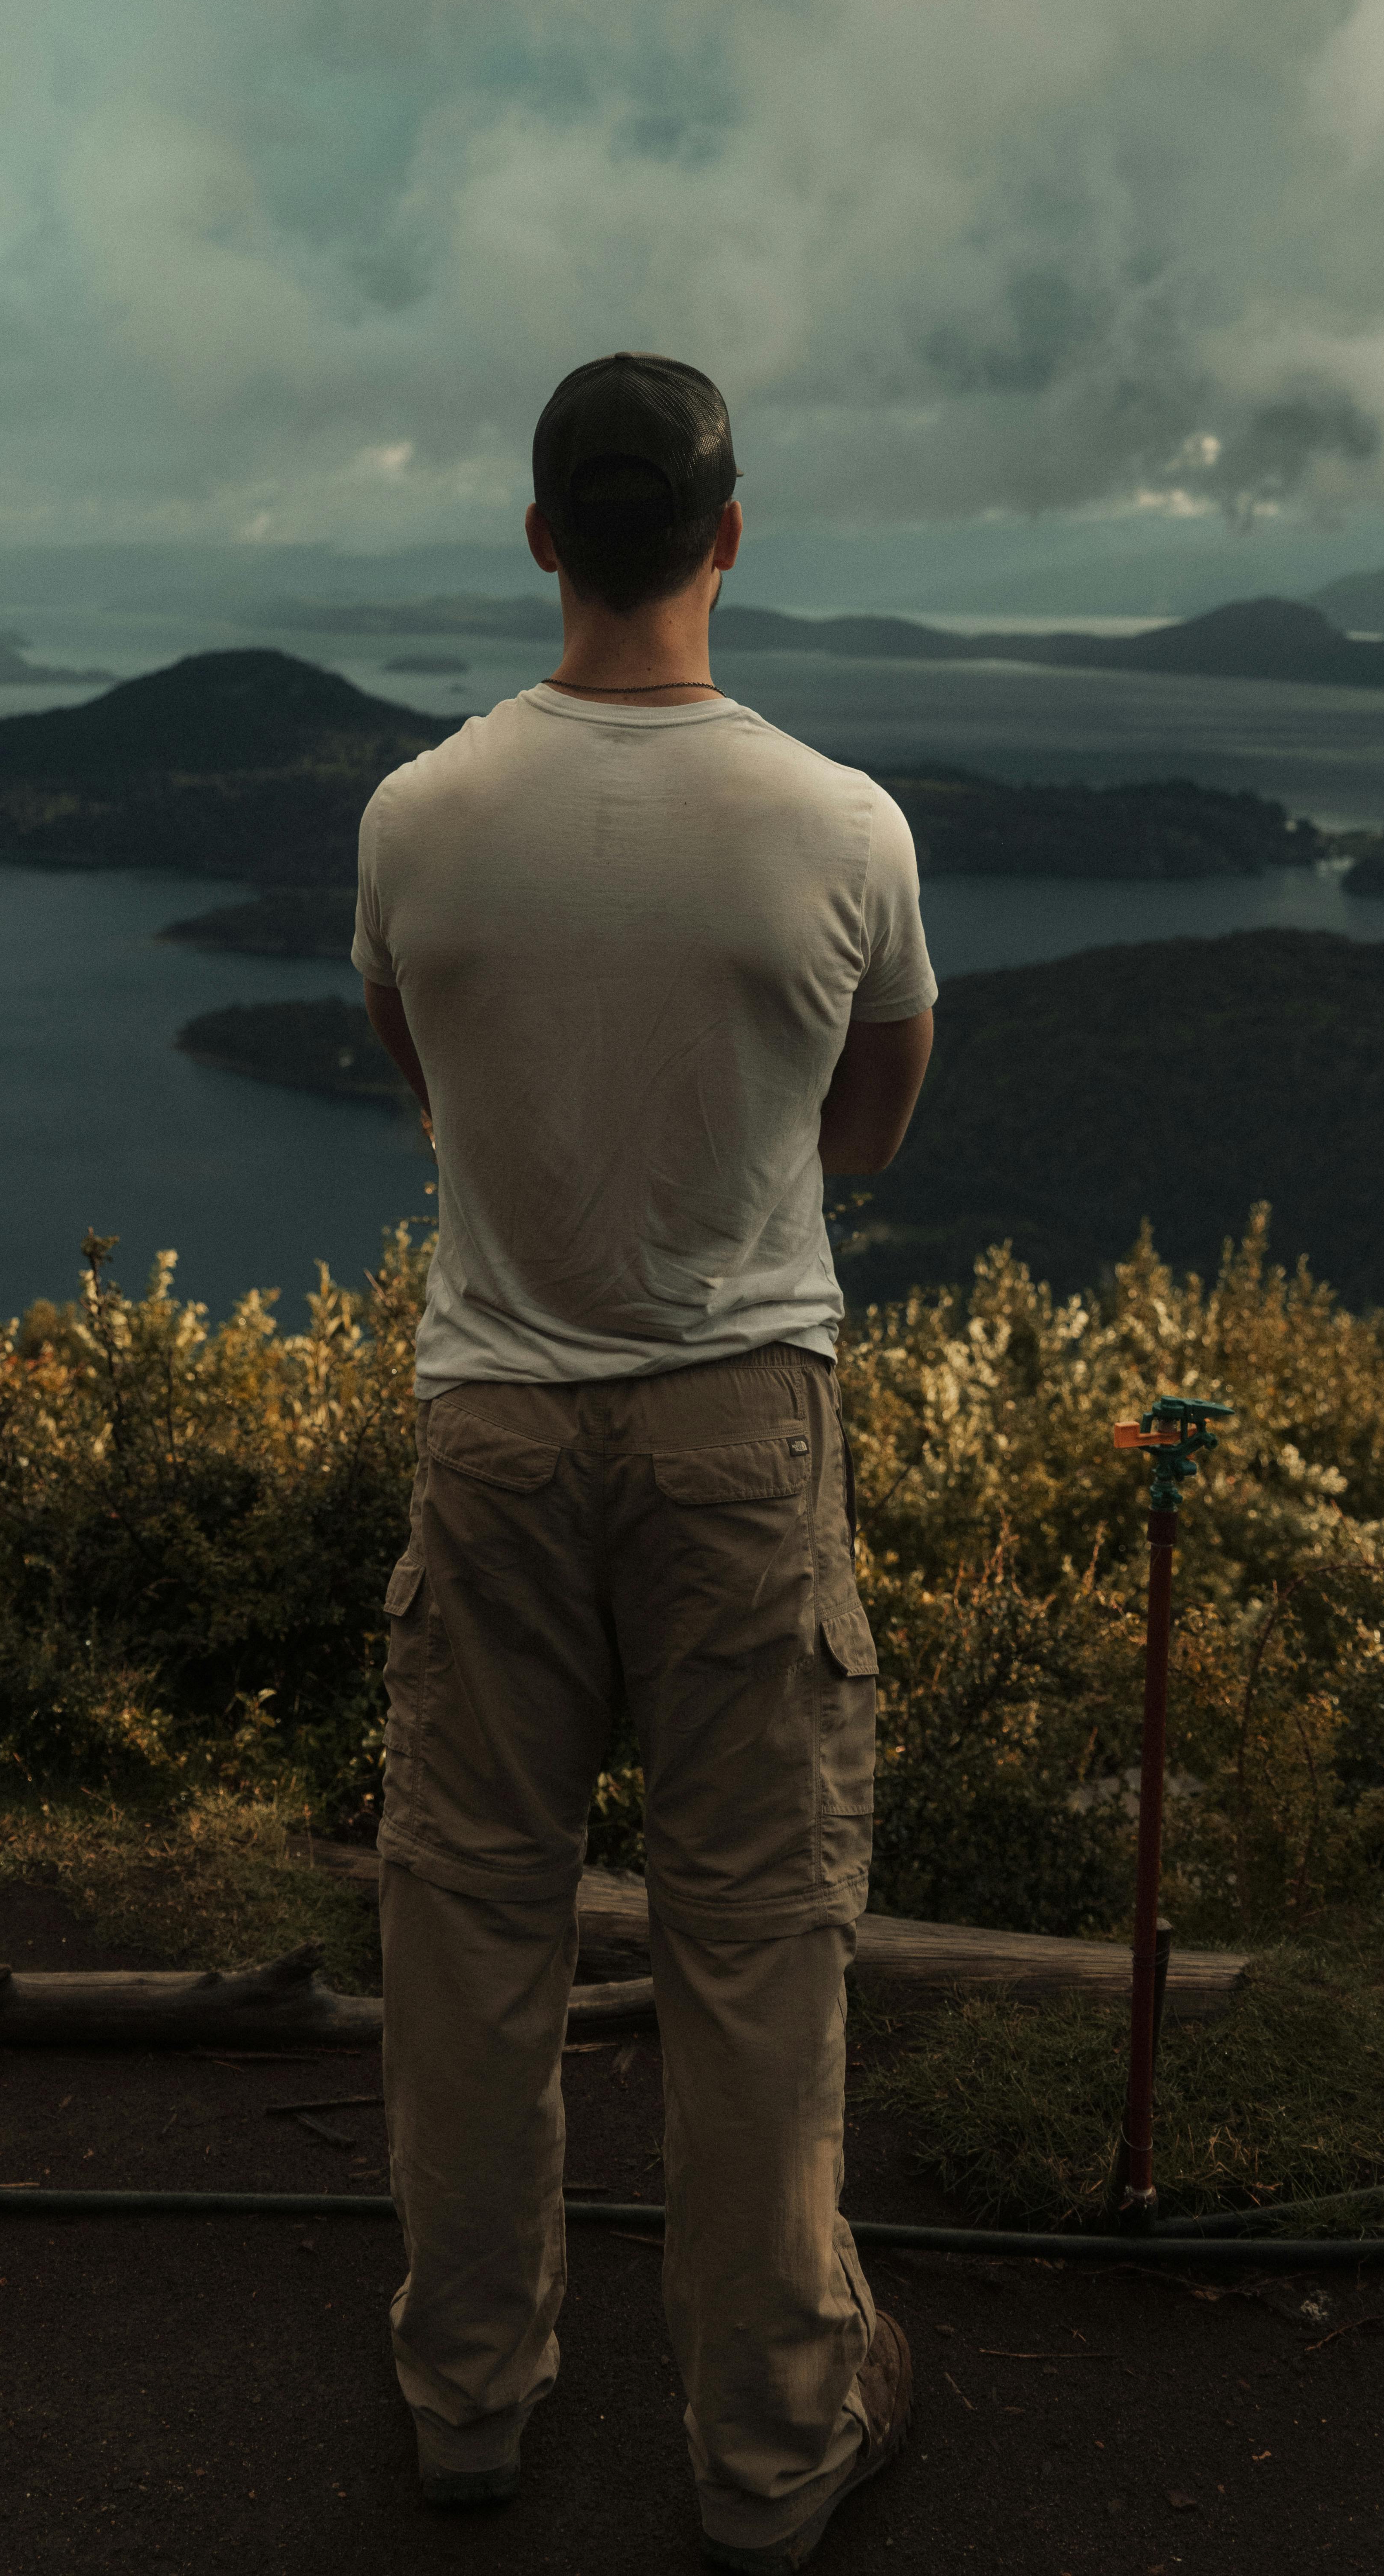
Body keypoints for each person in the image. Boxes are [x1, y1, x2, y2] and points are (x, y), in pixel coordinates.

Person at [352, 351, 936, 2572]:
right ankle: (775, 2444)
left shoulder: (420, 818)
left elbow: (428, 1080)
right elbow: (864, 1125)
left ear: (535, 537)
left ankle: (469, 2394)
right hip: (736, 1434)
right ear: (728, 531)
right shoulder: (844, 824)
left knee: (472, 1920)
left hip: (491, 1425)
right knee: (759, 1928)